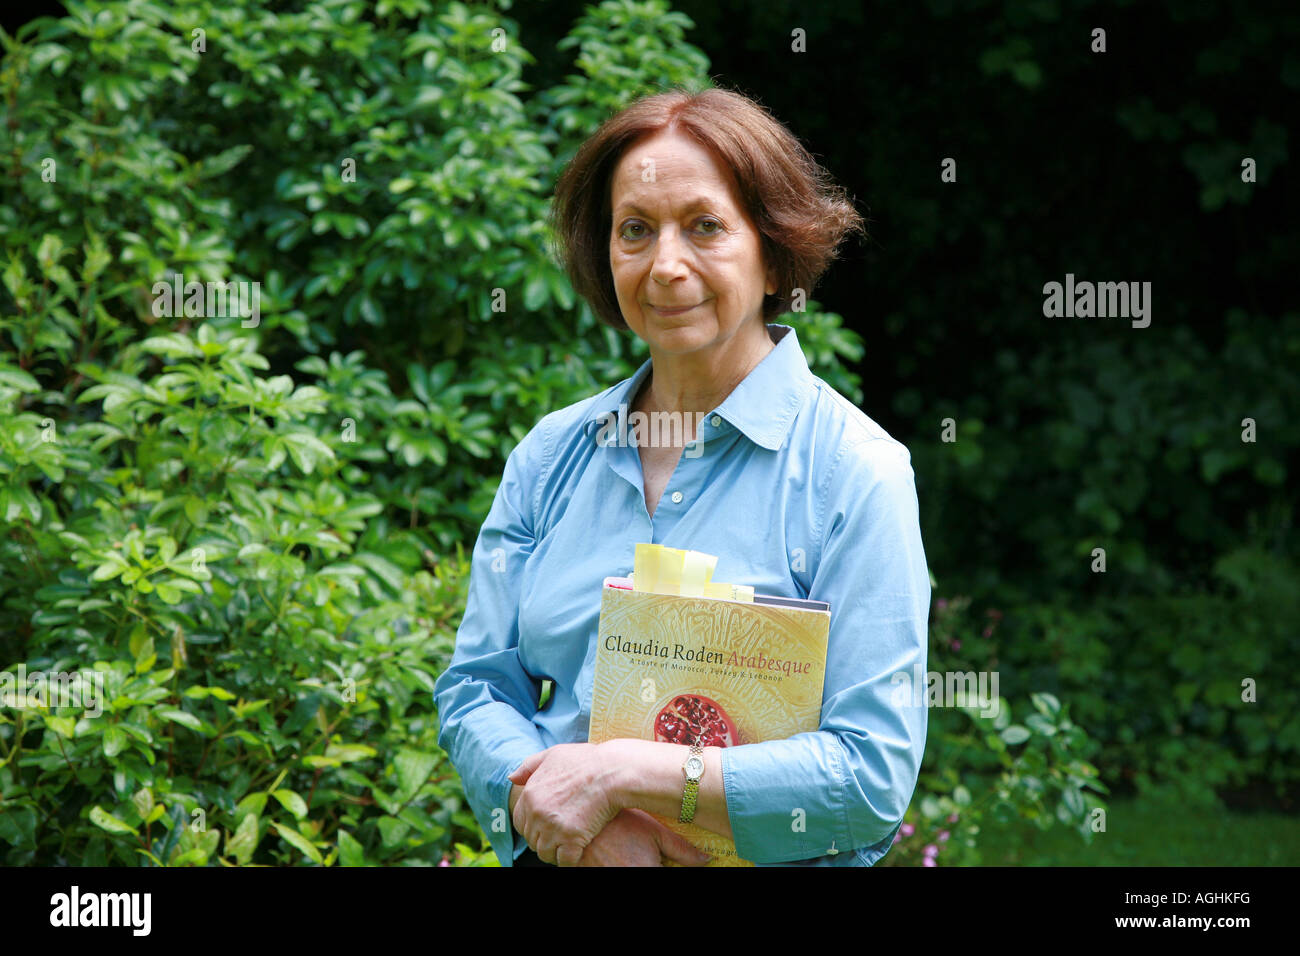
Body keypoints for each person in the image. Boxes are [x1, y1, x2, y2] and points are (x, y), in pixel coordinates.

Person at [433, 86, 931, 867]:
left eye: (704, 226)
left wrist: (628, 774)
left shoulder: (856, 477)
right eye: (635, 230)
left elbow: (870, 776)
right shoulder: (546, 458)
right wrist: (573, 825)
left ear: (772, 251)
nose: (665, 266)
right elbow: (476, 690)